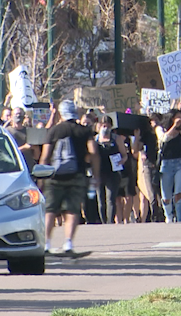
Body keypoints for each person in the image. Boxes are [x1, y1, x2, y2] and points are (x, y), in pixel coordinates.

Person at [39, 100, 100, 255]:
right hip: (77, 175)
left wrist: (41, 178)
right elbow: (94, 153)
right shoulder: (84, 131)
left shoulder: (54, 131)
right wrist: (96, 175)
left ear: (61, 113)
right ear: (75, 112)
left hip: (54, 177)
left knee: (50, 210)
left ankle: (46, 244)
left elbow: (45, 156)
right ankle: (68, 244)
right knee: (72, 210)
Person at [156, 109, 181, 222]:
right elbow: (164, 139)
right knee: (166, 196)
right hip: (166, 164)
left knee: (179, 192)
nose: (180, 119)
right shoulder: (160, 129)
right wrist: (174, 127)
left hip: (180, 163)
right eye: (178, 117)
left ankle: (180, 219)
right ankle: (169, 217)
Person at [95, 116, 127, 224]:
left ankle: (110, 222)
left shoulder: (116, 138)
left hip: (113, 172)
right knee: (101, 200)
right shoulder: (95, 139)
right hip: (99, 172)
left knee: (110, 199)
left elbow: (124, 155)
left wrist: (122, 161)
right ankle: (103, 221)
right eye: (103, 125)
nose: (105, 127)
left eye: (108, 125)